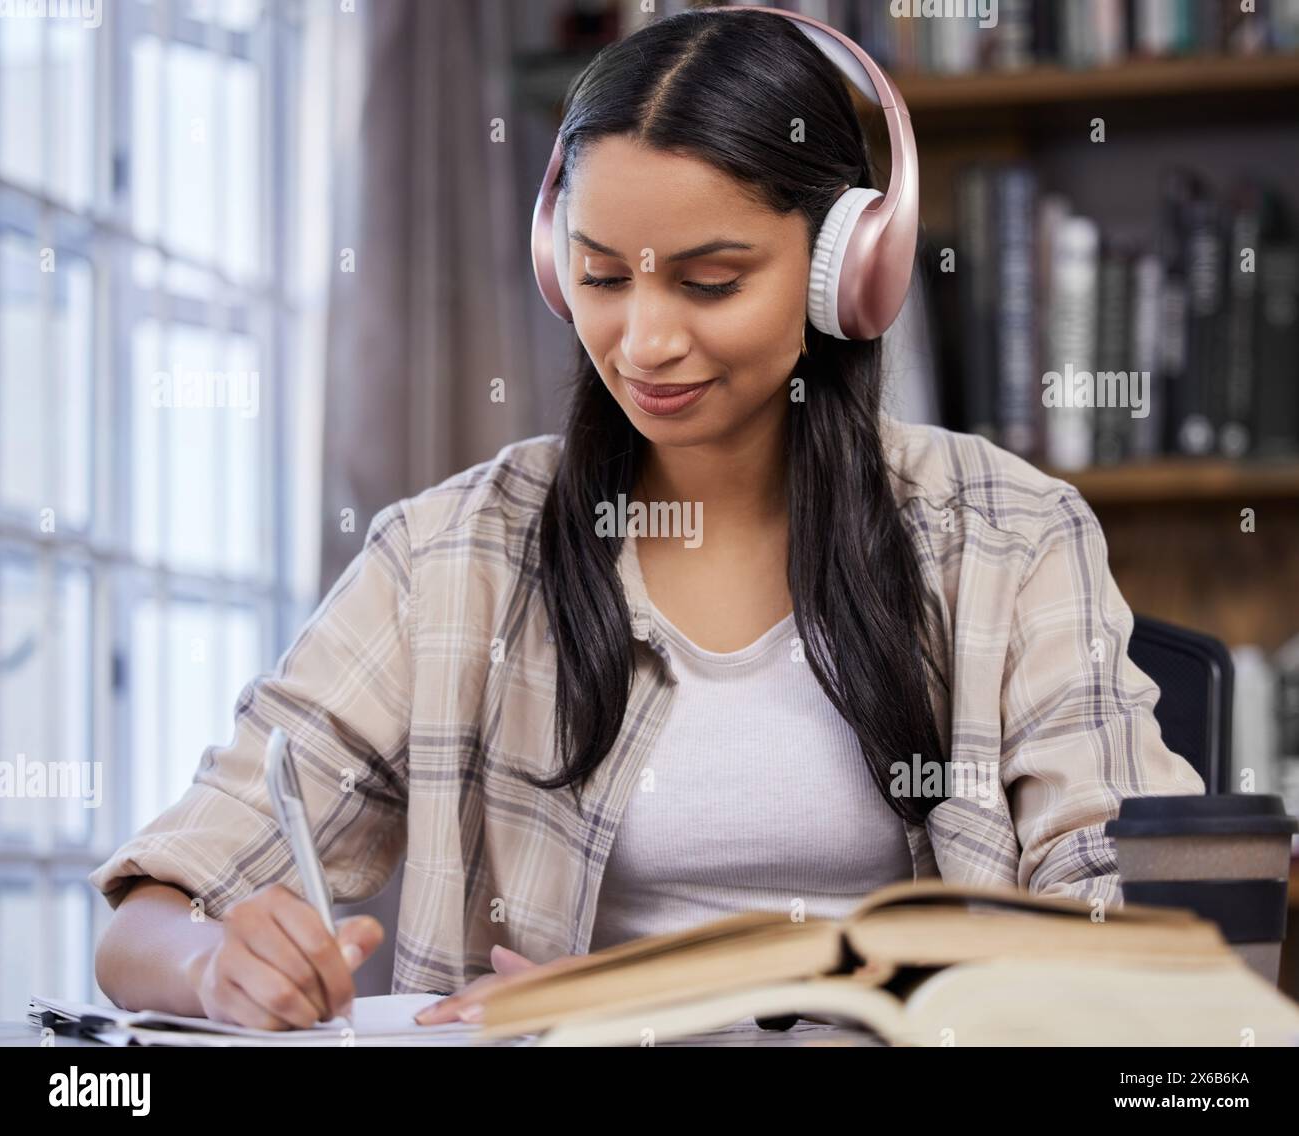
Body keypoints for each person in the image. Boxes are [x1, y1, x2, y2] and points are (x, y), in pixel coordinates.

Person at [91, 7, 1203, 1032]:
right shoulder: (451, 556)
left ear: (847, 270)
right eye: (603, 275)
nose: (643, 340)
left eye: (711, 281)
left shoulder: (1009, 536)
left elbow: (1130, 932)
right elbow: (158, 901)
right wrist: (208, 962)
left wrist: (666, 1006)